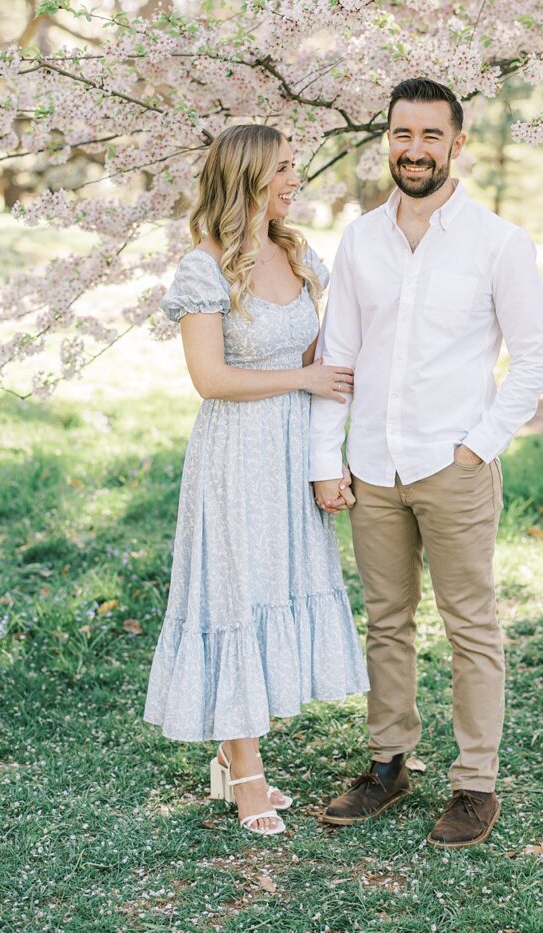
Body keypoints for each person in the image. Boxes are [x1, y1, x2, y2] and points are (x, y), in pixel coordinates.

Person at [310, 77, 543, 849]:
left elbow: (535, 359)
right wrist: (328, 457)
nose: (414, 150)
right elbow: (339, 355)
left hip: (454, 467)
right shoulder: (359, 239)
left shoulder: (498, 243)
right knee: (387, 621)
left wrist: (477, 445)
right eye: (401, 135)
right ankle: (388, 762)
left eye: (430, 136)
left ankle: (475, 782)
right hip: (373, 467)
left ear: (458, 144)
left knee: (470, 625)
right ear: (388, 139)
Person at [145, 123, 369, 837]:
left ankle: (232, 749)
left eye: (294, 165)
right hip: (235, 458)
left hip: (287, 453)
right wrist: (302, 376)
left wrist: (324, 462)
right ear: (246, 178)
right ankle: (246, 775)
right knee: (238, 597)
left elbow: (326, 360)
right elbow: (209, 378)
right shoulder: (204, 268)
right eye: (283, 167)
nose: (295, 179)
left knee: (275, 587)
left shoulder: (297, 255)